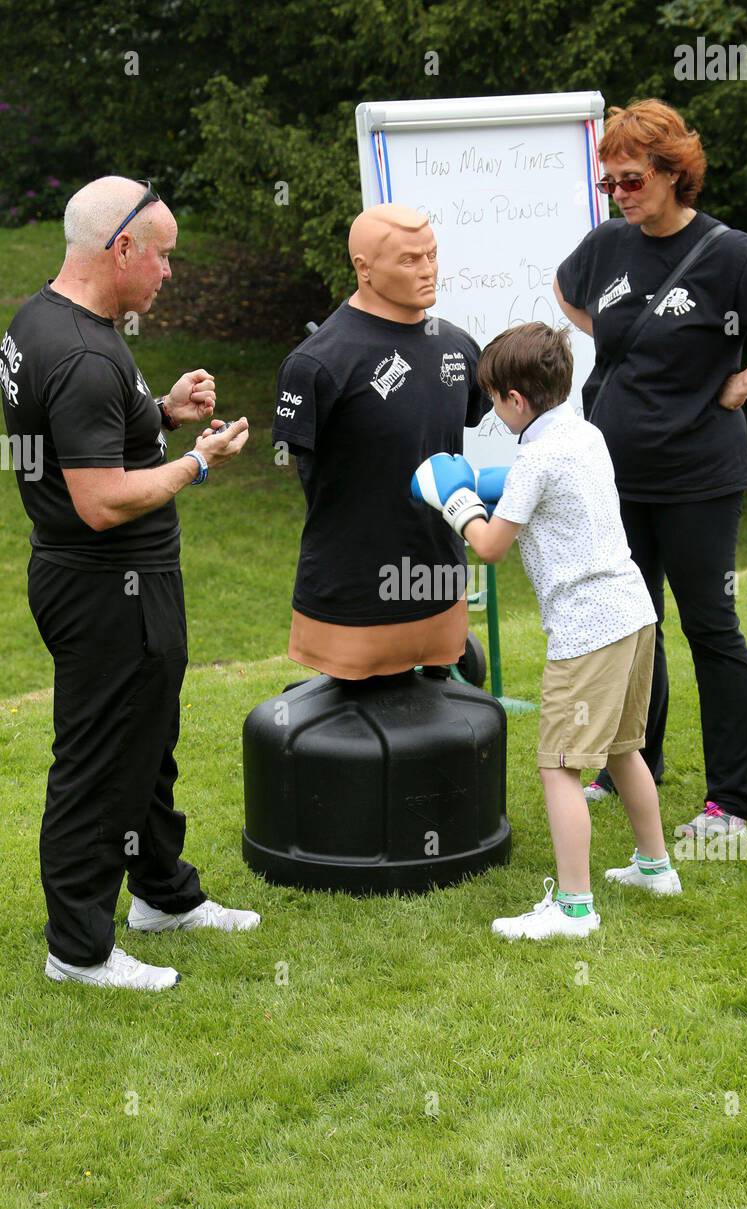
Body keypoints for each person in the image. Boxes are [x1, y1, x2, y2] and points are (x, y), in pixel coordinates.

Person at [553, 99, 747, 838]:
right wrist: (634, 344)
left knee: (710, 628)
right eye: (609, 183)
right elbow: (569, 293)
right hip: (614, 475)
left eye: (630, 180)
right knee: (627, 623)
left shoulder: (729, 254)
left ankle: (737, 802)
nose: (618, 194)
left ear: (672, 173)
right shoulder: (605, 247)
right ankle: (632, 766)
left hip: (698, 480)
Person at [0, 176, 259, 992]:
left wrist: (161, 411)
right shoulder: (79, 352)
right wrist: (198, 463)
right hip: (107, 586)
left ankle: (161, 895)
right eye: (164, 257)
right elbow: (101, 498)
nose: (170, 273)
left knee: (145, 746)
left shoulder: (43, 319)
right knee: (100, 762)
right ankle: (78, 948)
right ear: (121, 249)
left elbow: (93, 428)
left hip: (105, 581)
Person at [412, 322, 682, 940]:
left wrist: (452, 500)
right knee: (621, 748)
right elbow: (549, 497)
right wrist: (489, 487)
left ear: (513, 398)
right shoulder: (586, 434)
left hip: (587, 629)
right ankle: (654, 866)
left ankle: (574, 909)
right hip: (635, 612)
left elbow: (490, 546)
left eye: (494, 401)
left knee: (560, 766)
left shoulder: (535, 457)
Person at [273, 203, 490, 681]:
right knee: (357, 737)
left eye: (432, 255)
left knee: (444, 721)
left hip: (440, 579)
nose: (428, 270)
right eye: (410, 260)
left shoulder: (458, 348)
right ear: (364, 269)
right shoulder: (317, 363)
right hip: (353, 591)